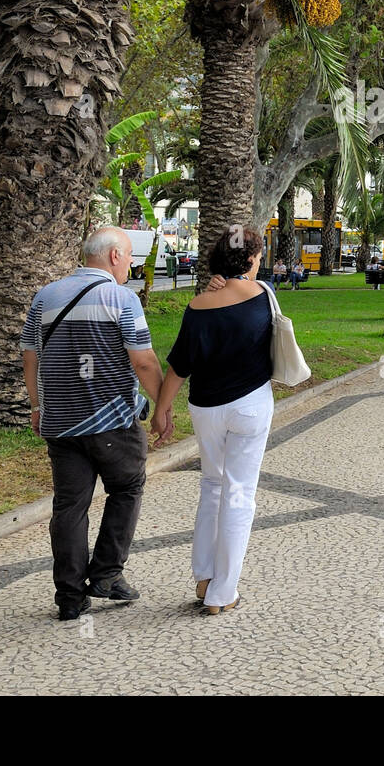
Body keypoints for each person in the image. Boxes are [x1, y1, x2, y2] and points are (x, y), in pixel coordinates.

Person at [21, 227, 163, 621]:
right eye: (131, 256)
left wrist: (37, 406)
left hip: (60, 423)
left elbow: (30, 356)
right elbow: (144, 361)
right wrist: (164, 403)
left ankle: (69, 597)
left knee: (69, 505)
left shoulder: (46, 296)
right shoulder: (121, 299)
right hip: (113, 422)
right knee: (128, 487)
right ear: (115, 256)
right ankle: (105, 575)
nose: (132, 264)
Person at [153, 226, 276, 615]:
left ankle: (204, 579)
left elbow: (178, 366)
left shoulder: (197, 307)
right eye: (258, 256)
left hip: (206, 408)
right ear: (252, 258)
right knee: (239, 493)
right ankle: (223, 593)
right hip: (251, 405)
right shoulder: (264, 295)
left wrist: (161, 409)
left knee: (212, 486)